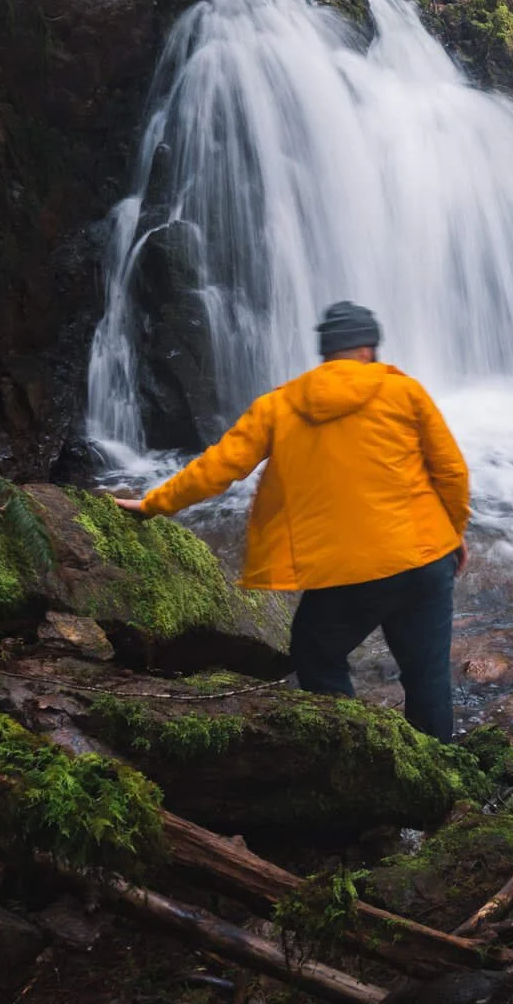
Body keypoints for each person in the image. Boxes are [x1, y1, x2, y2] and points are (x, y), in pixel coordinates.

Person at [110, 301, 471, 740]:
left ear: (326, 353)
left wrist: (153, 504)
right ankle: (447, 781)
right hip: (427, 559)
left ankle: (357, 752)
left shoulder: (278, 406)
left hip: (348, 572)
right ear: (368, 349)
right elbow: (451, 472)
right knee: (427, 676)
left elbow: (217, 469)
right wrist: (454, 533)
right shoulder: (406, 392)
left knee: (316, 655)